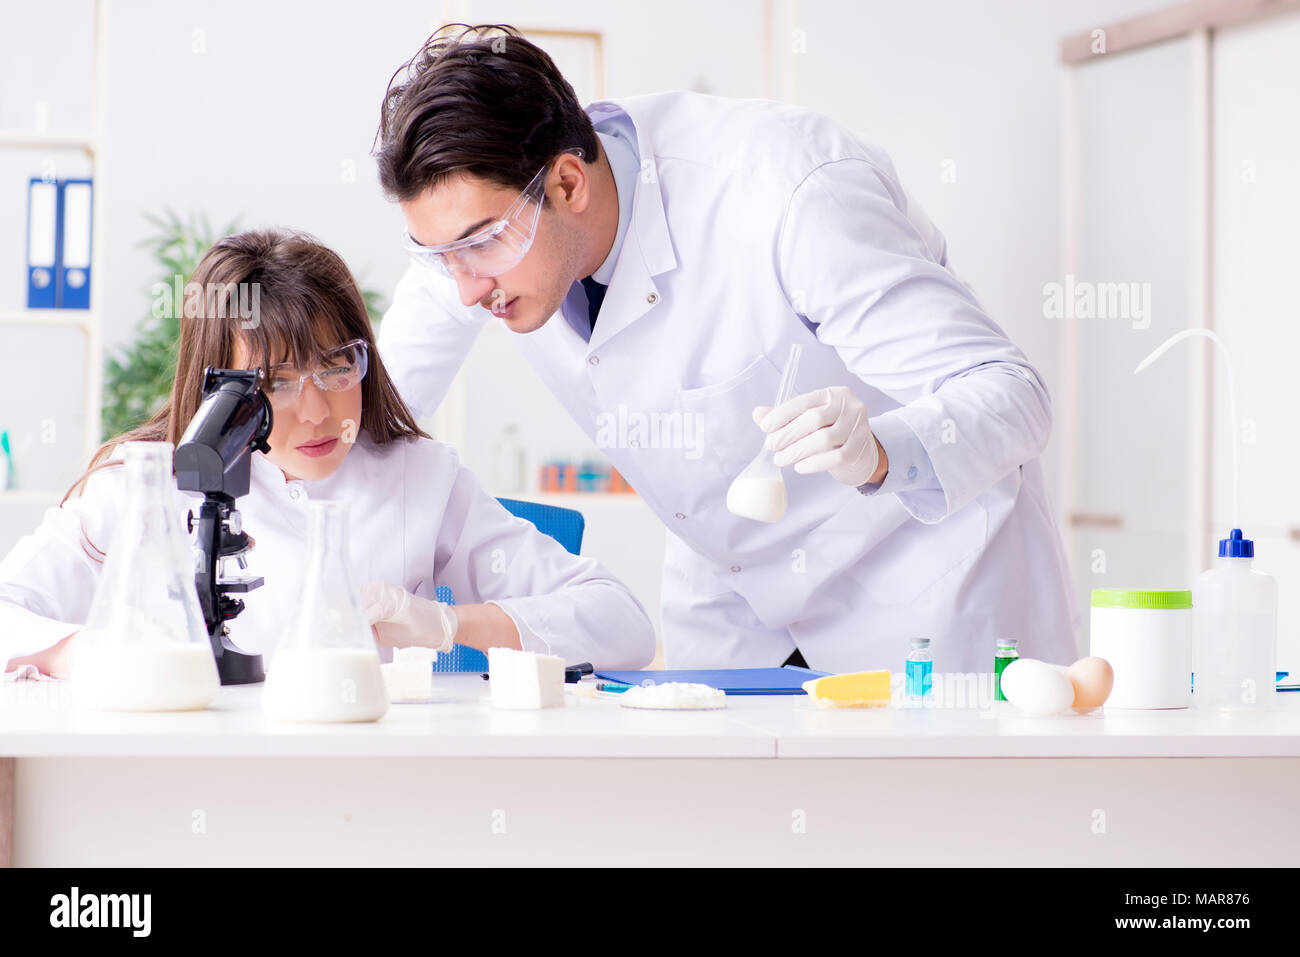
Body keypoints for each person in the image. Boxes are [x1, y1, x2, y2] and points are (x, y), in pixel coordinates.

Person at [373, 25, 1079, 673]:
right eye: (440, 258)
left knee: (931, 810)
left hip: (920, 586)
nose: (465, 289)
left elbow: (1012, 393)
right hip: (732, 606)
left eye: (478, 246)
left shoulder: (785, 192)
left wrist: (884, 450)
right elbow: (369, 411)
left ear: (567, 182)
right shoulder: (475, 233)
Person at [0, 228, 655, 677]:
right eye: (277, 383)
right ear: (219, 386)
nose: (316, 411)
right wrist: (82, 651)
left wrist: (448, 623)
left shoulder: (419, 479)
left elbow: (622, 622)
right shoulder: (141, 487)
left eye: (338, 366)